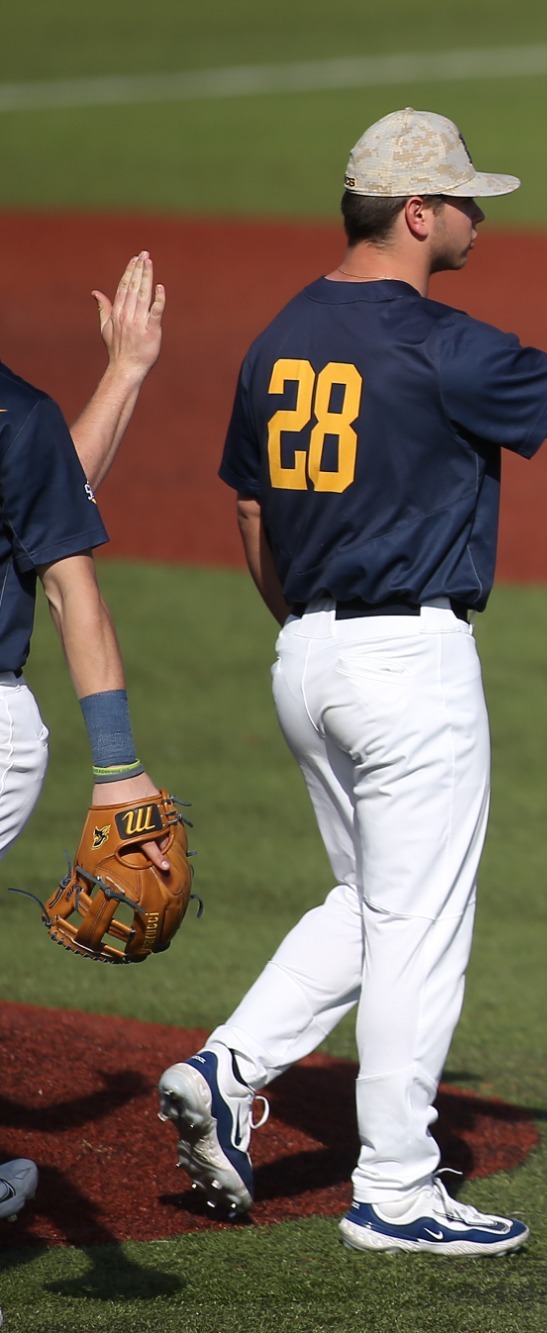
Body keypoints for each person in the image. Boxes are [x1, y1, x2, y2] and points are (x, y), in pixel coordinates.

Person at [155, 107, 547, 1255]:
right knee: (420, 925)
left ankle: (226, 1067)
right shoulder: (440, 342)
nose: (481, 215)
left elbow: (245, 506)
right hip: (405, 663)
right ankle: (396, 1185)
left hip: (306, 653)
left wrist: (311, 630)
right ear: (414, 213)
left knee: (371, 904)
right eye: (466, 199)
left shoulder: (279, 334)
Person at [0, 250, 171, 1225]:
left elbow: (62, 564)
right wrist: (126, 373)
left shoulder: (13, 417)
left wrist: (118, 769)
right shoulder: (16, 419)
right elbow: (48, 502)